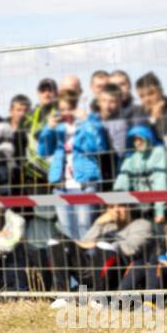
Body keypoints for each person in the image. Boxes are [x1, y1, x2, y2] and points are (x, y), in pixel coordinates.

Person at [37, 89, 110, 241]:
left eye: (69, 108)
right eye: (62, 109)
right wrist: (48, 128)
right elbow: (43, 151)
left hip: (84, 184)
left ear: (76, 107)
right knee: (67, 229)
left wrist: (87, 122)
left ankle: (88, 262)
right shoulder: (58, 128)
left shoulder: (90, 122)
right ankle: (72, 264)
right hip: (61, 185)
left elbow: (99, 147)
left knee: (85, 227)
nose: (65, 113)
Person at [113, 123, 167, 223]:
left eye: (140, 139)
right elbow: (122, 180)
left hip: (156, 204)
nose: (138, 143)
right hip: (137, 205)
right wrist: (117, 204)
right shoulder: (131, 158)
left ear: (148, 138)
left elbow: (160, 181)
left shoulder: (158, 152)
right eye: (135, 140)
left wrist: (160, 211)